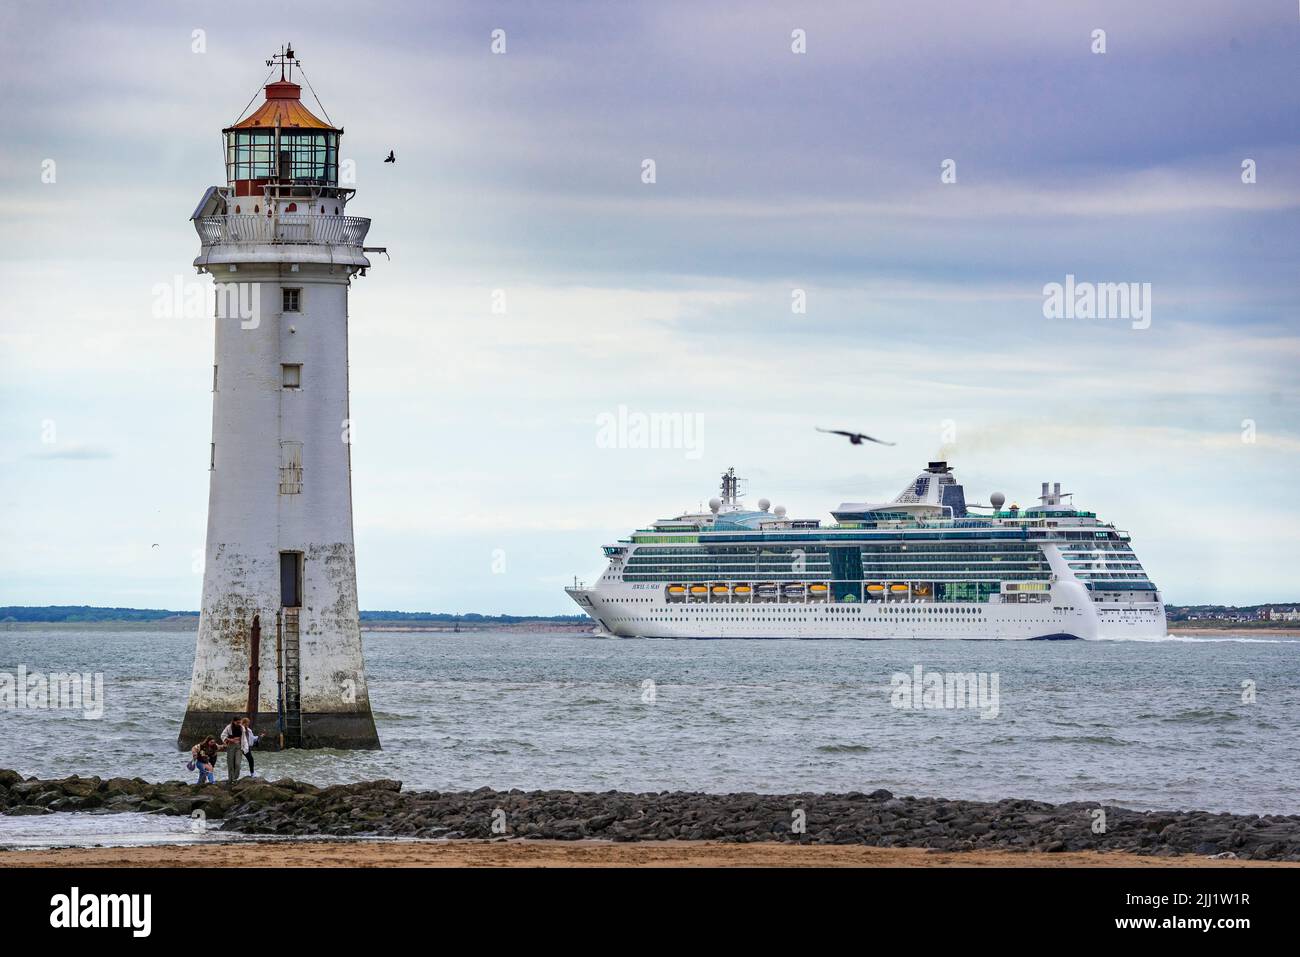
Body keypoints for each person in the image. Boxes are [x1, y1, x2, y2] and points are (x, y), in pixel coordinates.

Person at [219, 715, 245, 785]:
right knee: (230, 763)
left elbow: (244, 737)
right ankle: (231, 779)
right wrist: (231, 740)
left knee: (237, 763)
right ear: (234, 721)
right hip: (231, 746)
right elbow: (222, 735)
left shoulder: (242, 727)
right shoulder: (229, 727)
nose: (239, 724)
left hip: (239, 746)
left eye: (240, 722)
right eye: (237, 722)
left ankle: (235, 777)